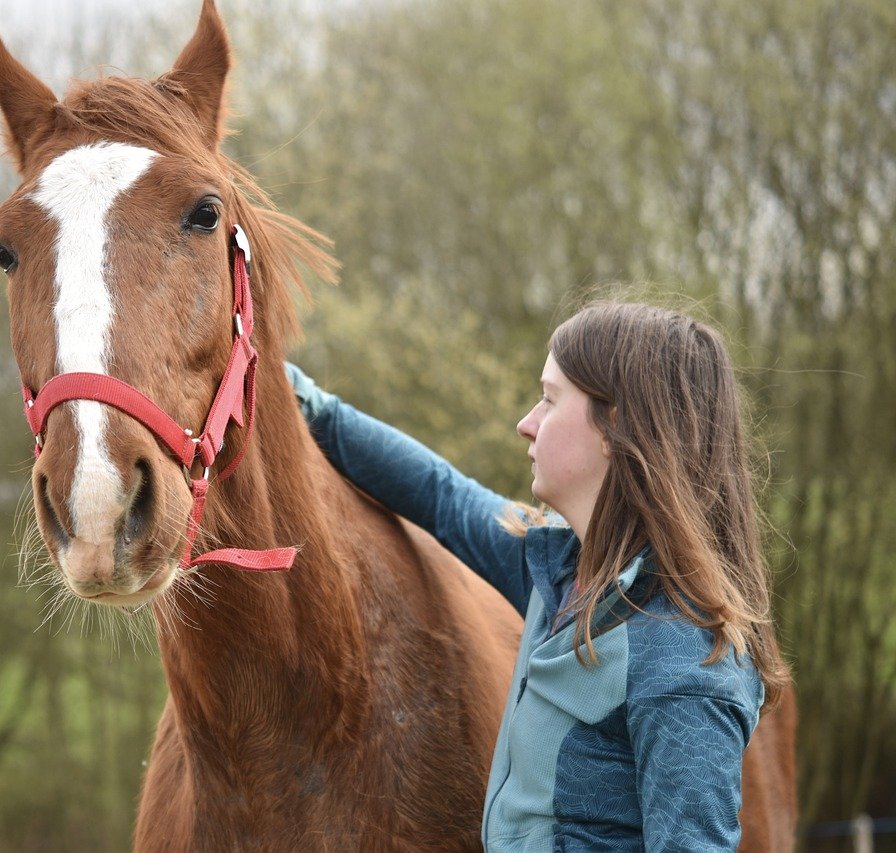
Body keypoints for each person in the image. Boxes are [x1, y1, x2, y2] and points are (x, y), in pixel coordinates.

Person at [285, 300, 790, 851]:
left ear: (615, 426)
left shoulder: (682, 669)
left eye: (549, 400)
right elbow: (440, 495)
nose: (526, 424)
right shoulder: (562, 571)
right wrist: (303, 400)